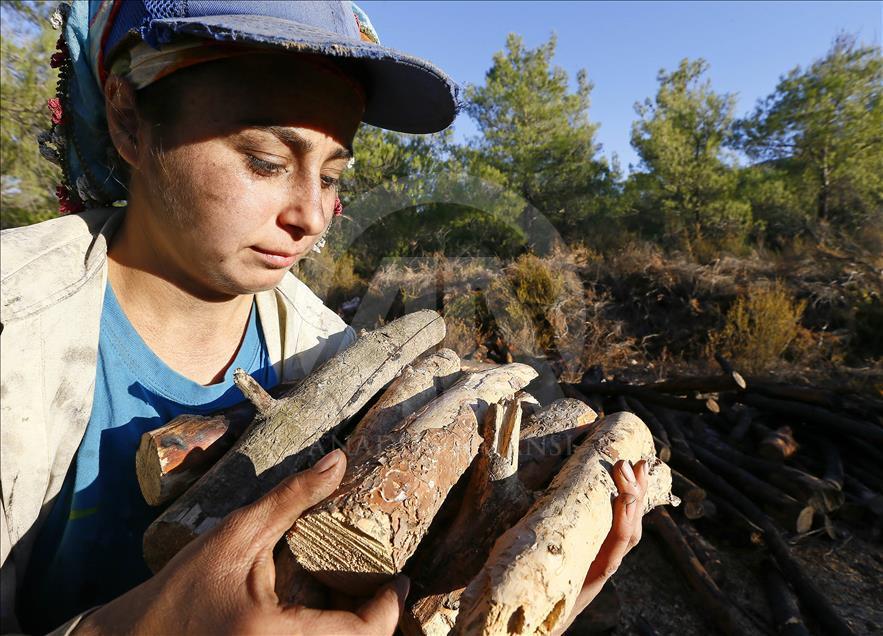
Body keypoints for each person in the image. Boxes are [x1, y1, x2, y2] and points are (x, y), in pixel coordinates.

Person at [0, 1, 650, 634]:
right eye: (266, 161)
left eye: (333, 176)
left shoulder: (334, 359)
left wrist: (508, 590)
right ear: (128, 121)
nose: (311, 217)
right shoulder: (16, 325)